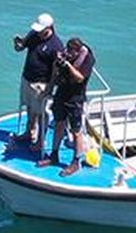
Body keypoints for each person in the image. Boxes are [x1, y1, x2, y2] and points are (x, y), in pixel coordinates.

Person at [39, 36, 97, 176]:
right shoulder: (65, 55)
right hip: (61, 96)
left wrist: (68, 65)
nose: (69, 53)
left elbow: (80, 78)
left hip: (75, 99)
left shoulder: (87, 59)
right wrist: (49, 90)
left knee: (76, 132)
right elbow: (55, 74)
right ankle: (54, 155)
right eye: (68, 50)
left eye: (72, 52)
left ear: (78, 52)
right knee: (59, 124)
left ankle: (76, 162)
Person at [12, 13, 63, 154]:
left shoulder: (56, 45)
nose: (38, 32)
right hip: (27, 79)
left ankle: (41, 141)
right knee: (29, 108)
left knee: (41, 114)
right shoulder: (34, 35)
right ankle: (30, 132)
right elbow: (20, 47)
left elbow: (55, 70)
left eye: (41, 30)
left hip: (42, 84)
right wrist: (17, 43)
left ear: (49, 28)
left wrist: (49, 89)